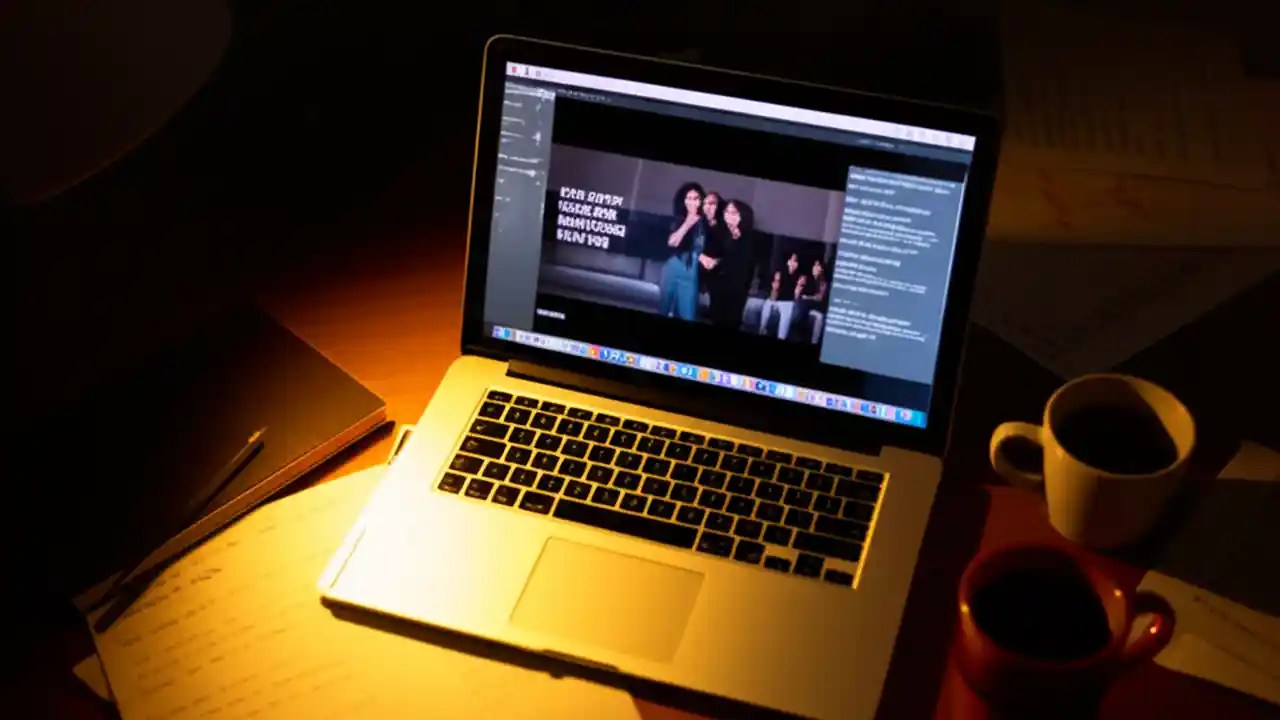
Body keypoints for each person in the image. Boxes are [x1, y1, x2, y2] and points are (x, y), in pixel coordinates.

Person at [702, 199, 755, 330]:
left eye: (734, 212)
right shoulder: (720, 233)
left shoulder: (748, 239)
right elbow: (711, 254)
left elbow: (744, 265)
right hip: (718, 288)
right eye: (727, 212)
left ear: (742, 216)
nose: (729, 215)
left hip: (736, 291)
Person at [659, 182, 708, 320]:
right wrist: (687, 223)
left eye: (696, 198)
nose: (692, 202)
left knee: (688, 312)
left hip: (692, 270)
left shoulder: (705, 223)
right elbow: (672, 243)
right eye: (689, 198)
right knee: (664, 307)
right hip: (673, 266)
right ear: (683, 201)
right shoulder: (677, 220)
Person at [758, 251, 802, 339]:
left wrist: (798, 288)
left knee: (787, 312)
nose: (793, 264)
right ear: (787, 262)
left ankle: (782, 336)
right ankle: (761, 330)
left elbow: (796, 297)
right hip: (776, 299)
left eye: (795, 261)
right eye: (791, 260)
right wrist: (775, 288)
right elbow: (773, 294)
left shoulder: (799, 276)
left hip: (789, 302)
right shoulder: (780, 273)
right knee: (767, 306)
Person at [795, 258, 830, 343]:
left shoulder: (823, 282)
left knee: (819, 318)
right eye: (814, 265)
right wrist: (799, 287)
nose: (815, 267)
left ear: (822, 269)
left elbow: (819, 297)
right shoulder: (807, 279)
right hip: (804, 308)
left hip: (817, 309)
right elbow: (798, 295)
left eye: (818, 265)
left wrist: (807, 297)